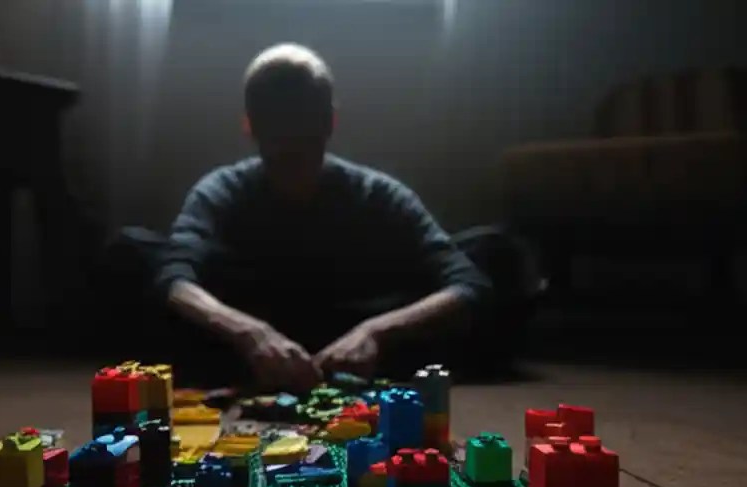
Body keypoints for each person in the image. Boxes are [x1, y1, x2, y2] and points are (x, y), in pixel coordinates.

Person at [109, 43, 539, 389]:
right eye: (280, 133)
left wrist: (375, 332)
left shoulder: (377, 193)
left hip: (358, 317)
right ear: (251, 127)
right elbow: (174, 277)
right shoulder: (222, 190)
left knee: (496, 255)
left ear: (329, 122)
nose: (293, 149)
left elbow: (465, 282)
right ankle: (277, 361)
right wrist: (250, 333)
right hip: (249, 321)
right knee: (128, 255)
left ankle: (318, 362)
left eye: (305, 131)